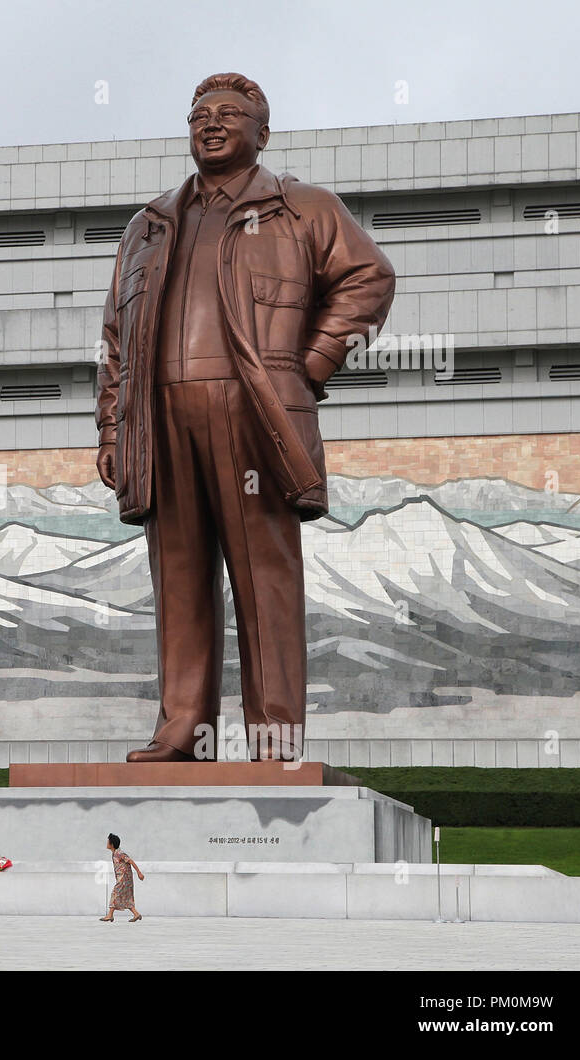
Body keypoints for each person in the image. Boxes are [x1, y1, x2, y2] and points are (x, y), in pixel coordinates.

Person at [95, 73, 395, 763]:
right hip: (161, 422)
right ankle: (182, 731)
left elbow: (369, 279)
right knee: (179, 581)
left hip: (254, 416)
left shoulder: (303, 209)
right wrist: (114, 430)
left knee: (266, 582)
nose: (211, 122)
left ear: (264, 132)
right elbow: (115, 341)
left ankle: (276, 741)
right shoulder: (149, 225)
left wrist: (309, 365)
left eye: (230, 113)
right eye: (199, 113)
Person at [100, 833, 143, 922]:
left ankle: (110, 915)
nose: (107, 843)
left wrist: (139, 873)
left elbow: (130, 861)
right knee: (126, 897)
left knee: (114, 894)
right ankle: (136, 914)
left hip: (123, 879)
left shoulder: (119, 853)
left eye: (108, 841)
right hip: (124, 879)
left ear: (111, 844)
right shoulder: (115, 853)